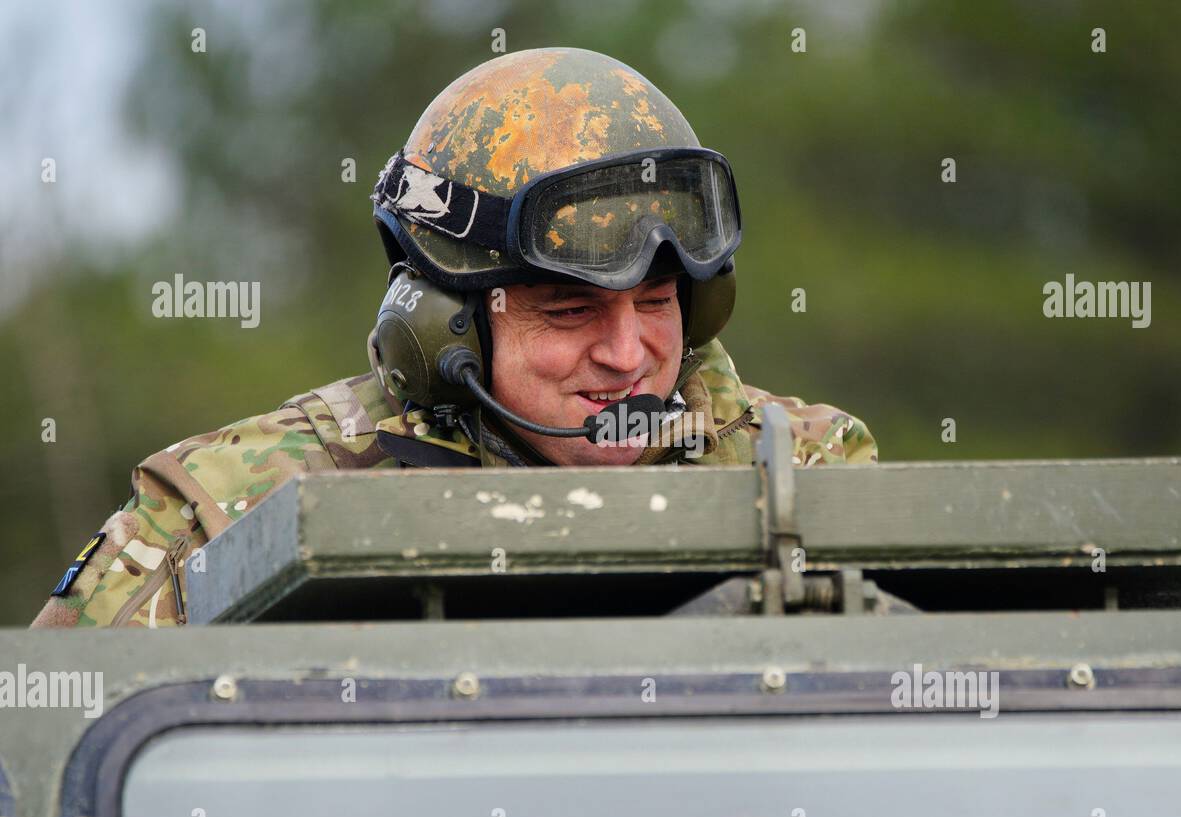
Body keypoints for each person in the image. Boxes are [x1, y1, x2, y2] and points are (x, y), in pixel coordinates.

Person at [31, 47, 876, 630]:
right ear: (441, 326)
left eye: (656, 302)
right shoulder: (234, 511)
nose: (627, 356)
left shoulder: (805, 475)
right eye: (570, 311)